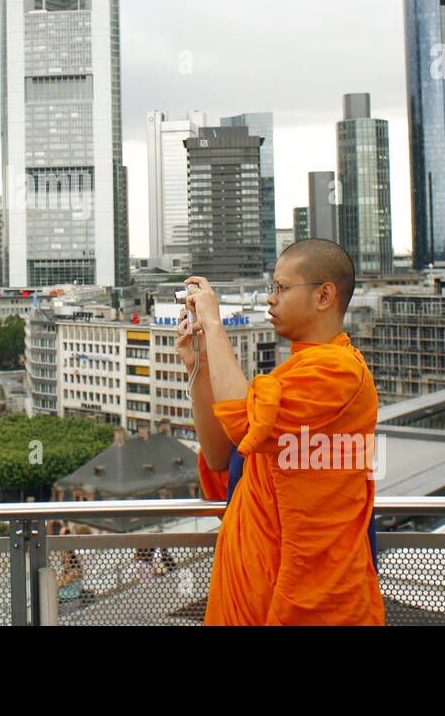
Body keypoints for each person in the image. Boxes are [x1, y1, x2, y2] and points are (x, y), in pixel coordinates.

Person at [178, 239, 384, 626]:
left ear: (324, 295)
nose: (270, 300)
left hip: (307, 597)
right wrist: (202, 363)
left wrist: (214, 322)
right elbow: (223, 453)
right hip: (250, 585)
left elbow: (245, 423)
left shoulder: (338, 371)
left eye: (280, 288)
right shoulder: (289, 376)